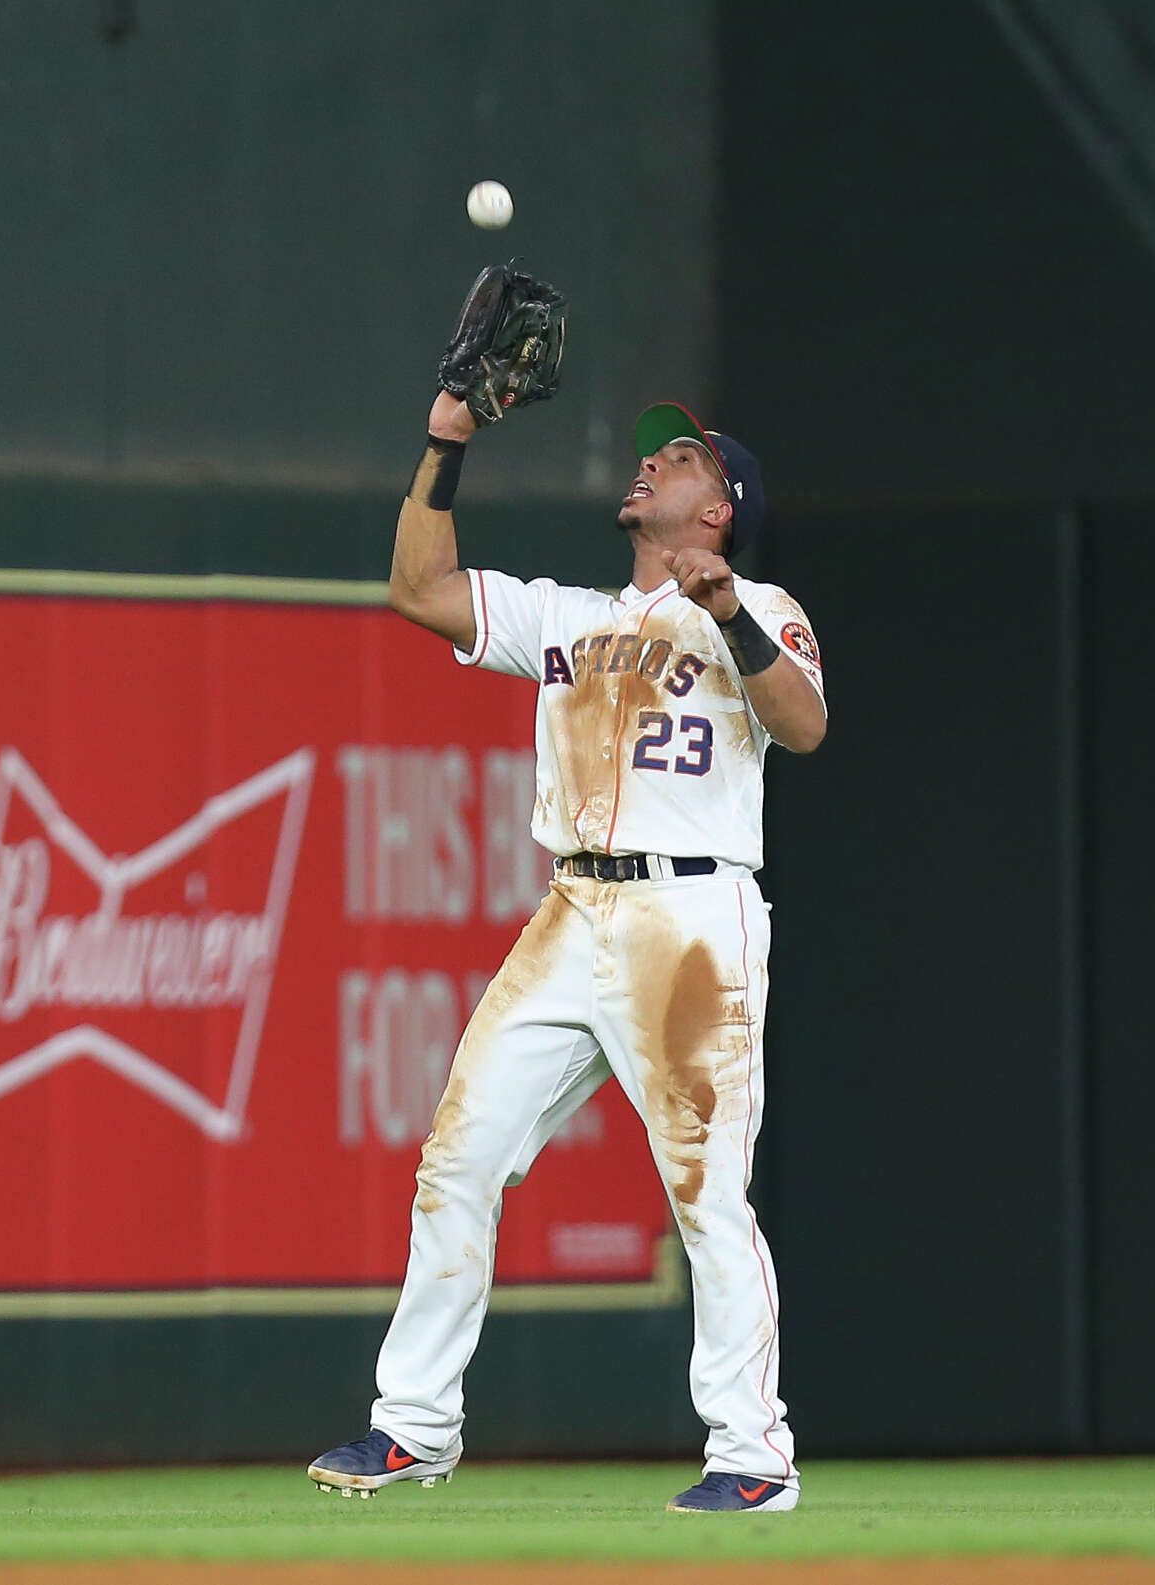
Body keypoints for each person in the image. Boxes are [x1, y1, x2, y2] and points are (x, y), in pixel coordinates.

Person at [308, 386, 827, 1514]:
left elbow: (804, 723)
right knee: (458, 1158)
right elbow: (420, 589)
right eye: (651, 456)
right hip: (571, 912)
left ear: (719, 509)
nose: (648, 467)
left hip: (694, 919)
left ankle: (754, 1454)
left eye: (678, 458)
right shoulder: (568, 618)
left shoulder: (760, 606)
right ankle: (415, 1427)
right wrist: (445, 442)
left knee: (706, 1193)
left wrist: (728, 607)